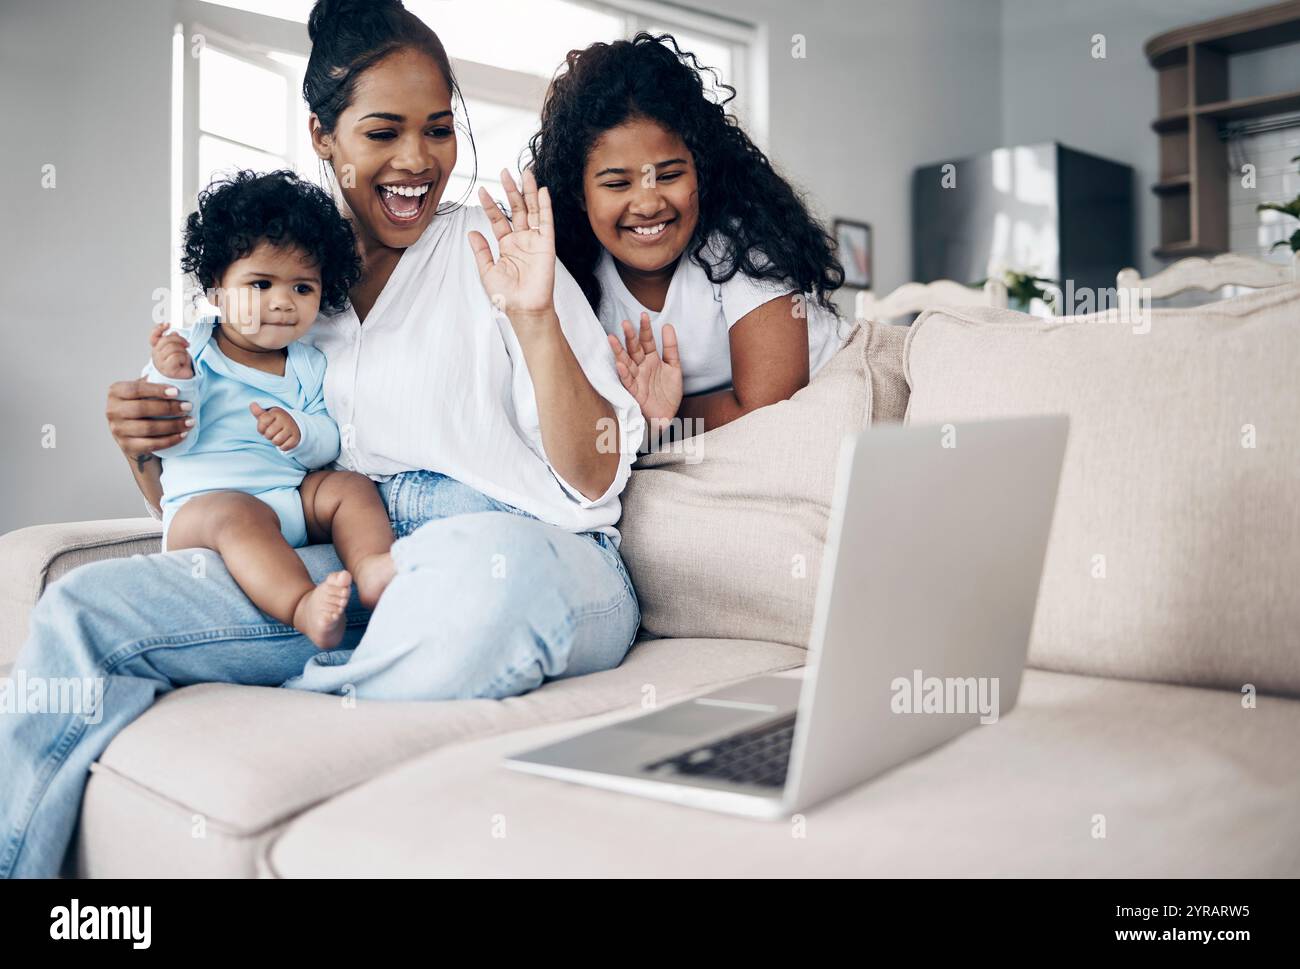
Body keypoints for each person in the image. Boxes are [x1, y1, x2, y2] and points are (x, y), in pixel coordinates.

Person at [0, 0, 642, 879]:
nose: (419, 160)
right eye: (384, 131)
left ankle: (313, 714)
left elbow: (596, 476)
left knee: (486, 573)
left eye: (439, 129)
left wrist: (534, 319)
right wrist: (145, 452)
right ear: (323, 136)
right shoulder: (286, 282)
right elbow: (215, 495)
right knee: (82, 611)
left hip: (524, 545)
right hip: (342, 561)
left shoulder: (494, 248)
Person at [529, 32, 847, 436]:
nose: (647, 204)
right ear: (578, 192)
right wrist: (644, 420)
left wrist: (656, 419)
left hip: (829, 396)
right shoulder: (574, 277)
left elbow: (768, 405)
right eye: (616, 184)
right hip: (714, 439)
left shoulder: (740, 244)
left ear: (700, 169)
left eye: (669, 175)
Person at [147, 169, 396, 649]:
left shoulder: (307, 363)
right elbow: (169, 437)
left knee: (349, 486)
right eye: (260, 284)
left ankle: (371, 569)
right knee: (236, 511)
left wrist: (301, 433)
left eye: (302, 288)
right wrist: (173, 380)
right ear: (215, 288)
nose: (283, 303)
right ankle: (302, 605)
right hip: (205, 513)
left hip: (286, 499)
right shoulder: (190, 353)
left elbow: (329, 437)